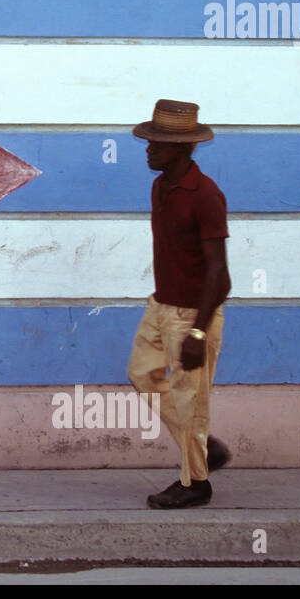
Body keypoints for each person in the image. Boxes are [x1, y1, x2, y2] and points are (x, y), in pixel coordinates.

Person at [128, 99, 232, 508]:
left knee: (191, 399)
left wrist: (197, 331)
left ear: (184, 148)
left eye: (158, 144)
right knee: (142, 375)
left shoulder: (205, 195)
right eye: (150, 141)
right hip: (160, 306)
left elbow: (219, 275)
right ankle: (202, 451)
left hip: (192, 315)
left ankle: (195, 484)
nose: (149, 150)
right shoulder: (161, 186)